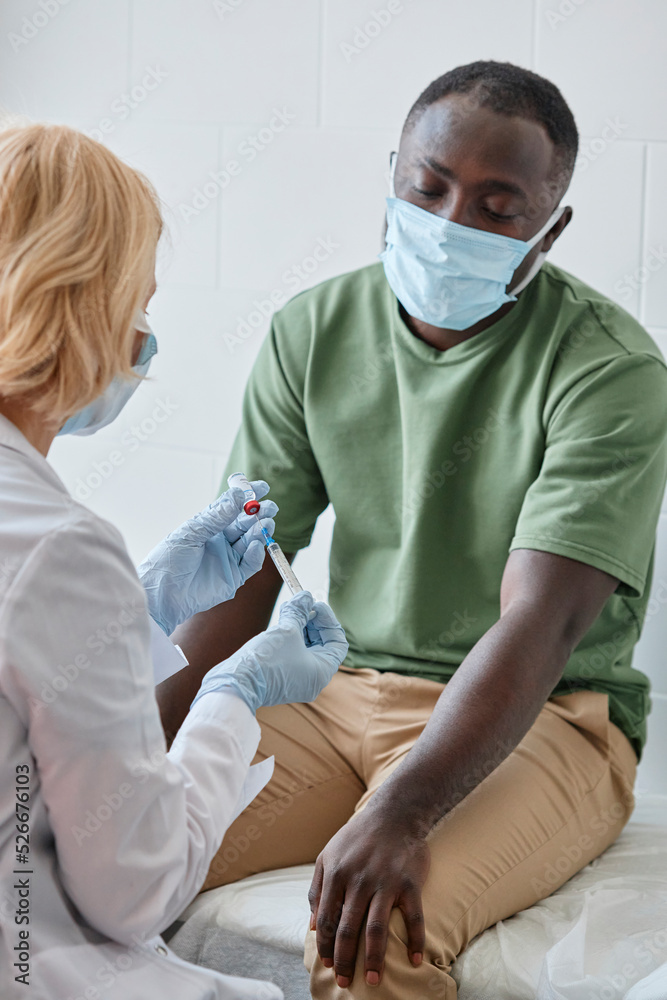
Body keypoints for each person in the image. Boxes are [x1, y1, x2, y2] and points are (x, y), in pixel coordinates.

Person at [157, 61, 667, 1000]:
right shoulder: (313, 329)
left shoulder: (608, 369)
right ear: (393, 175)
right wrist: (128, 745)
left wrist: (400, 809)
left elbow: (540, 626)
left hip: (543, 718)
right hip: (338, 690)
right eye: (428, 188)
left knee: (375, 926)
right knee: (108, 847)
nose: (449, 223)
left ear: (548, 230)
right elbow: (248, 573)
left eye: (496, 207)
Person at [0, 121, 348, 1000]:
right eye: (137, 304)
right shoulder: (62, 546)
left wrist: (145, 609)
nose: (142, 343)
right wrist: (234, 698)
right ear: (74, 303)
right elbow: (137, 888)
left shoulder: (51, 549)